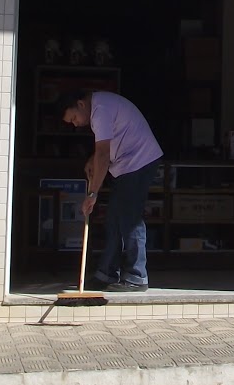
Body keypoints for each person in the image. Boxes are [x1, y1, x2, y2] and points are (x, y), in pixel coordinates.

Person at [58, 89, 163, 292]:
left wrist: (92, 194)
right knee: (114, 218)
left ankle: (136, 276)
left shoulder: (100, 110)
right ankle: (106, 273)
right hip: (127, 164)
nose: (76, 124)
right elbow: (103, 148)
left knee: (130, 219)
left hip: (139, 161)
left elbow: (104, 154)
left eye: (74, 118)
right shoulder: (100, 107)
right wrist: (92, 160)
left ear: (80, 105)